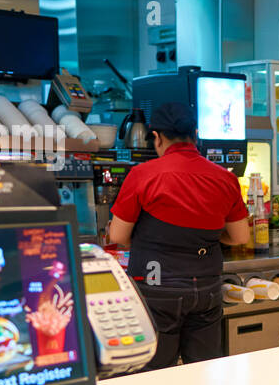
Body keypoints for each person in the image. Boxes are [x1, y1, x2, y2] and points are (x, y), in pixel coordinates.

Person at [106, 102, 250, 370]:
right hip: (206, 289)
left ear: (157, 137)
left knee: (154, 376)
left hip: (156, 285)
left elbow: (118, 235)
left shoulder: (142, 175)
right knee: (204, 372)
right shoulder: (225, 178)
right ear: (195, 134)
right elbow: (240, 237)